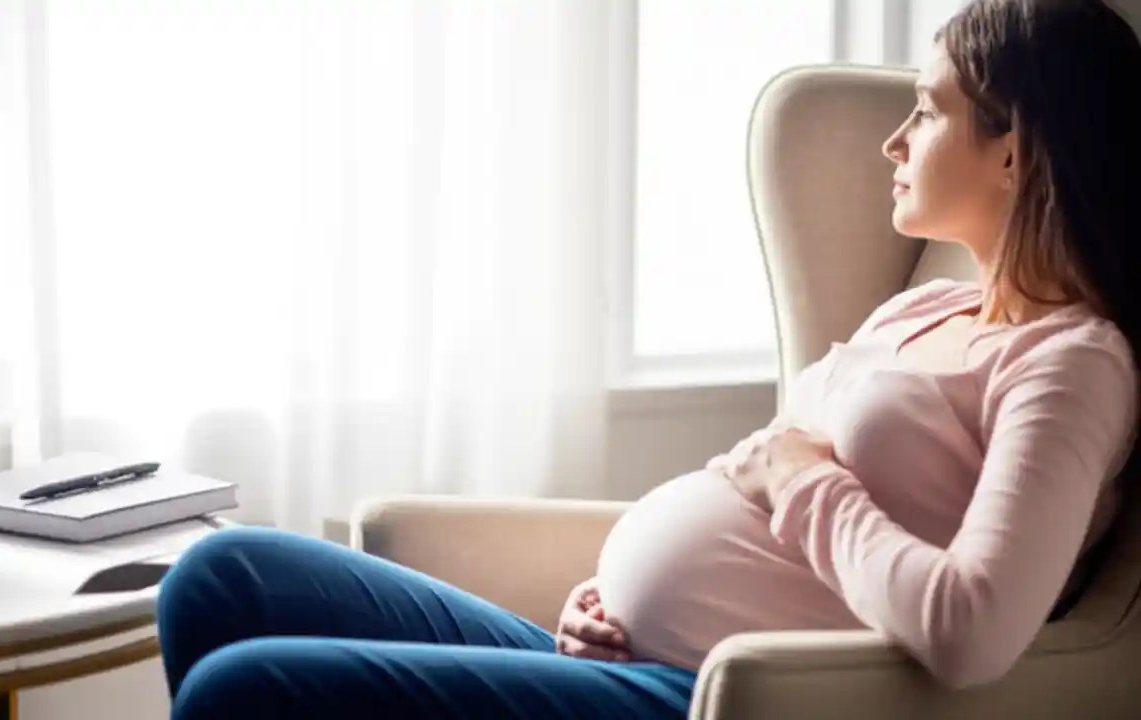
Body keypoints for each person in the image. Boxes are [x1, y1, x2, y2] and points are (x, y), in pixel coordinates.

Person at [156, 1, 1141, 716]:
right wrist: (606, 590)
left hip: (709, 695)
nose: (891, 140)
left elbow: (971, 631)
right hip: (616, 652)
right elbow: (744, 483)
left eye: (924, 112)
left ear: (1012, 153)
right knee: (222, 574)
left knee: (245, 690)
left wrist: (804, 487)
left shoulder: (1072, 364)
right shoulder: (928, 304)